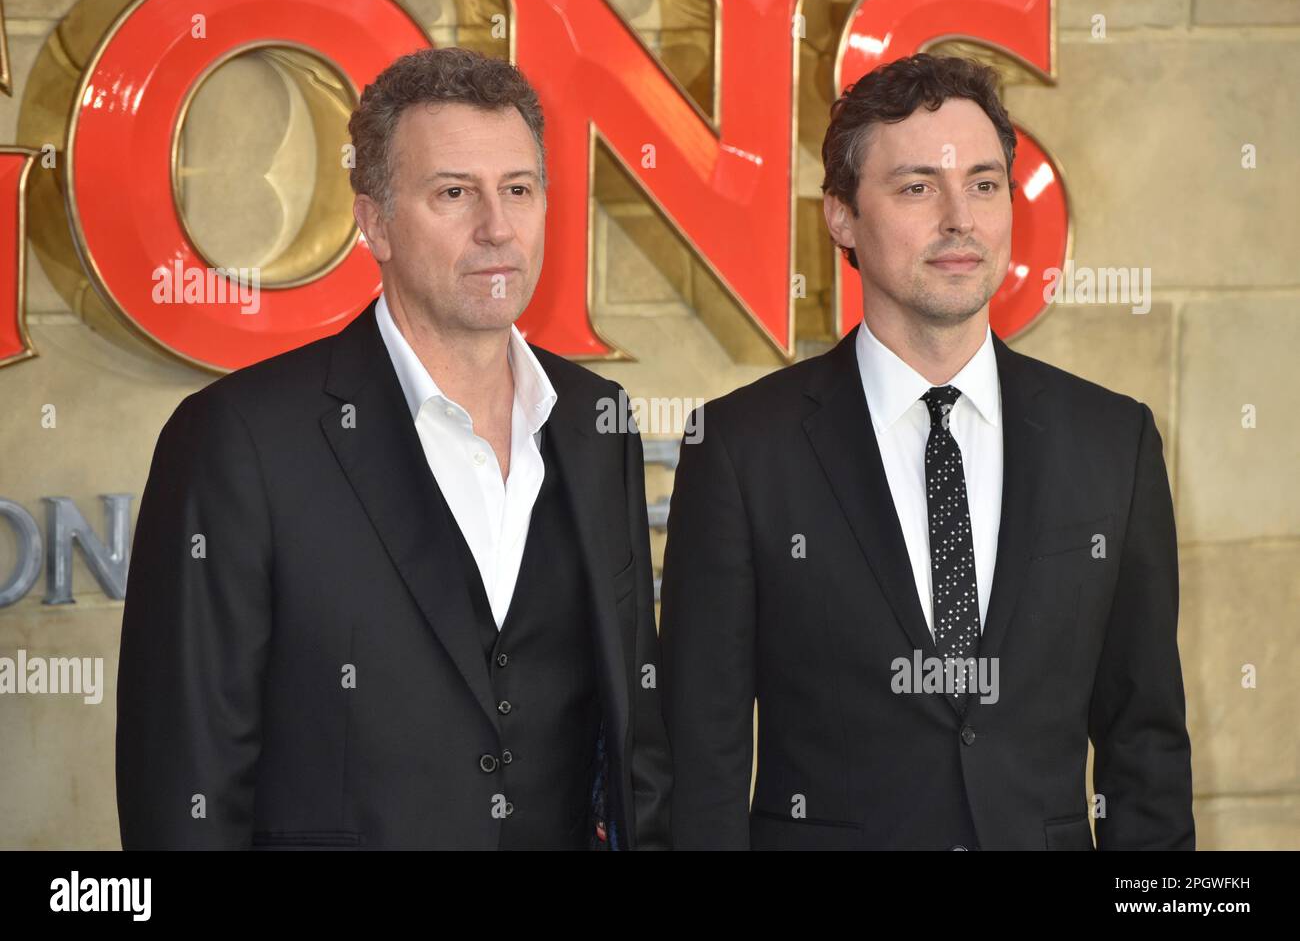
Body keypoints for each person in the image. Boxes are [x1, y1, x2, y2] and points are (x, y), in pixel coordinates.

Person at [116, 47, 670, 850]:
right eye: (454, 193)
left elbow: (631, 745)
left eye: (519, 189)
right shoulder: (240, 439)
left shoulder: (595, 420)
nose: (496, 227)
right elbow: (186, 781)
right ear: (373, 221)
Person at [659, 53, 1192, 850]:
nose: (960, 218)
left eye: (982, 184)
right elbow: (699, 763)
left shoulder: (1114, 443)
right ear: (841, 215)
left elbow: (1144, 749)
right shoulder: (741, 449)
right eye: (916, 187)